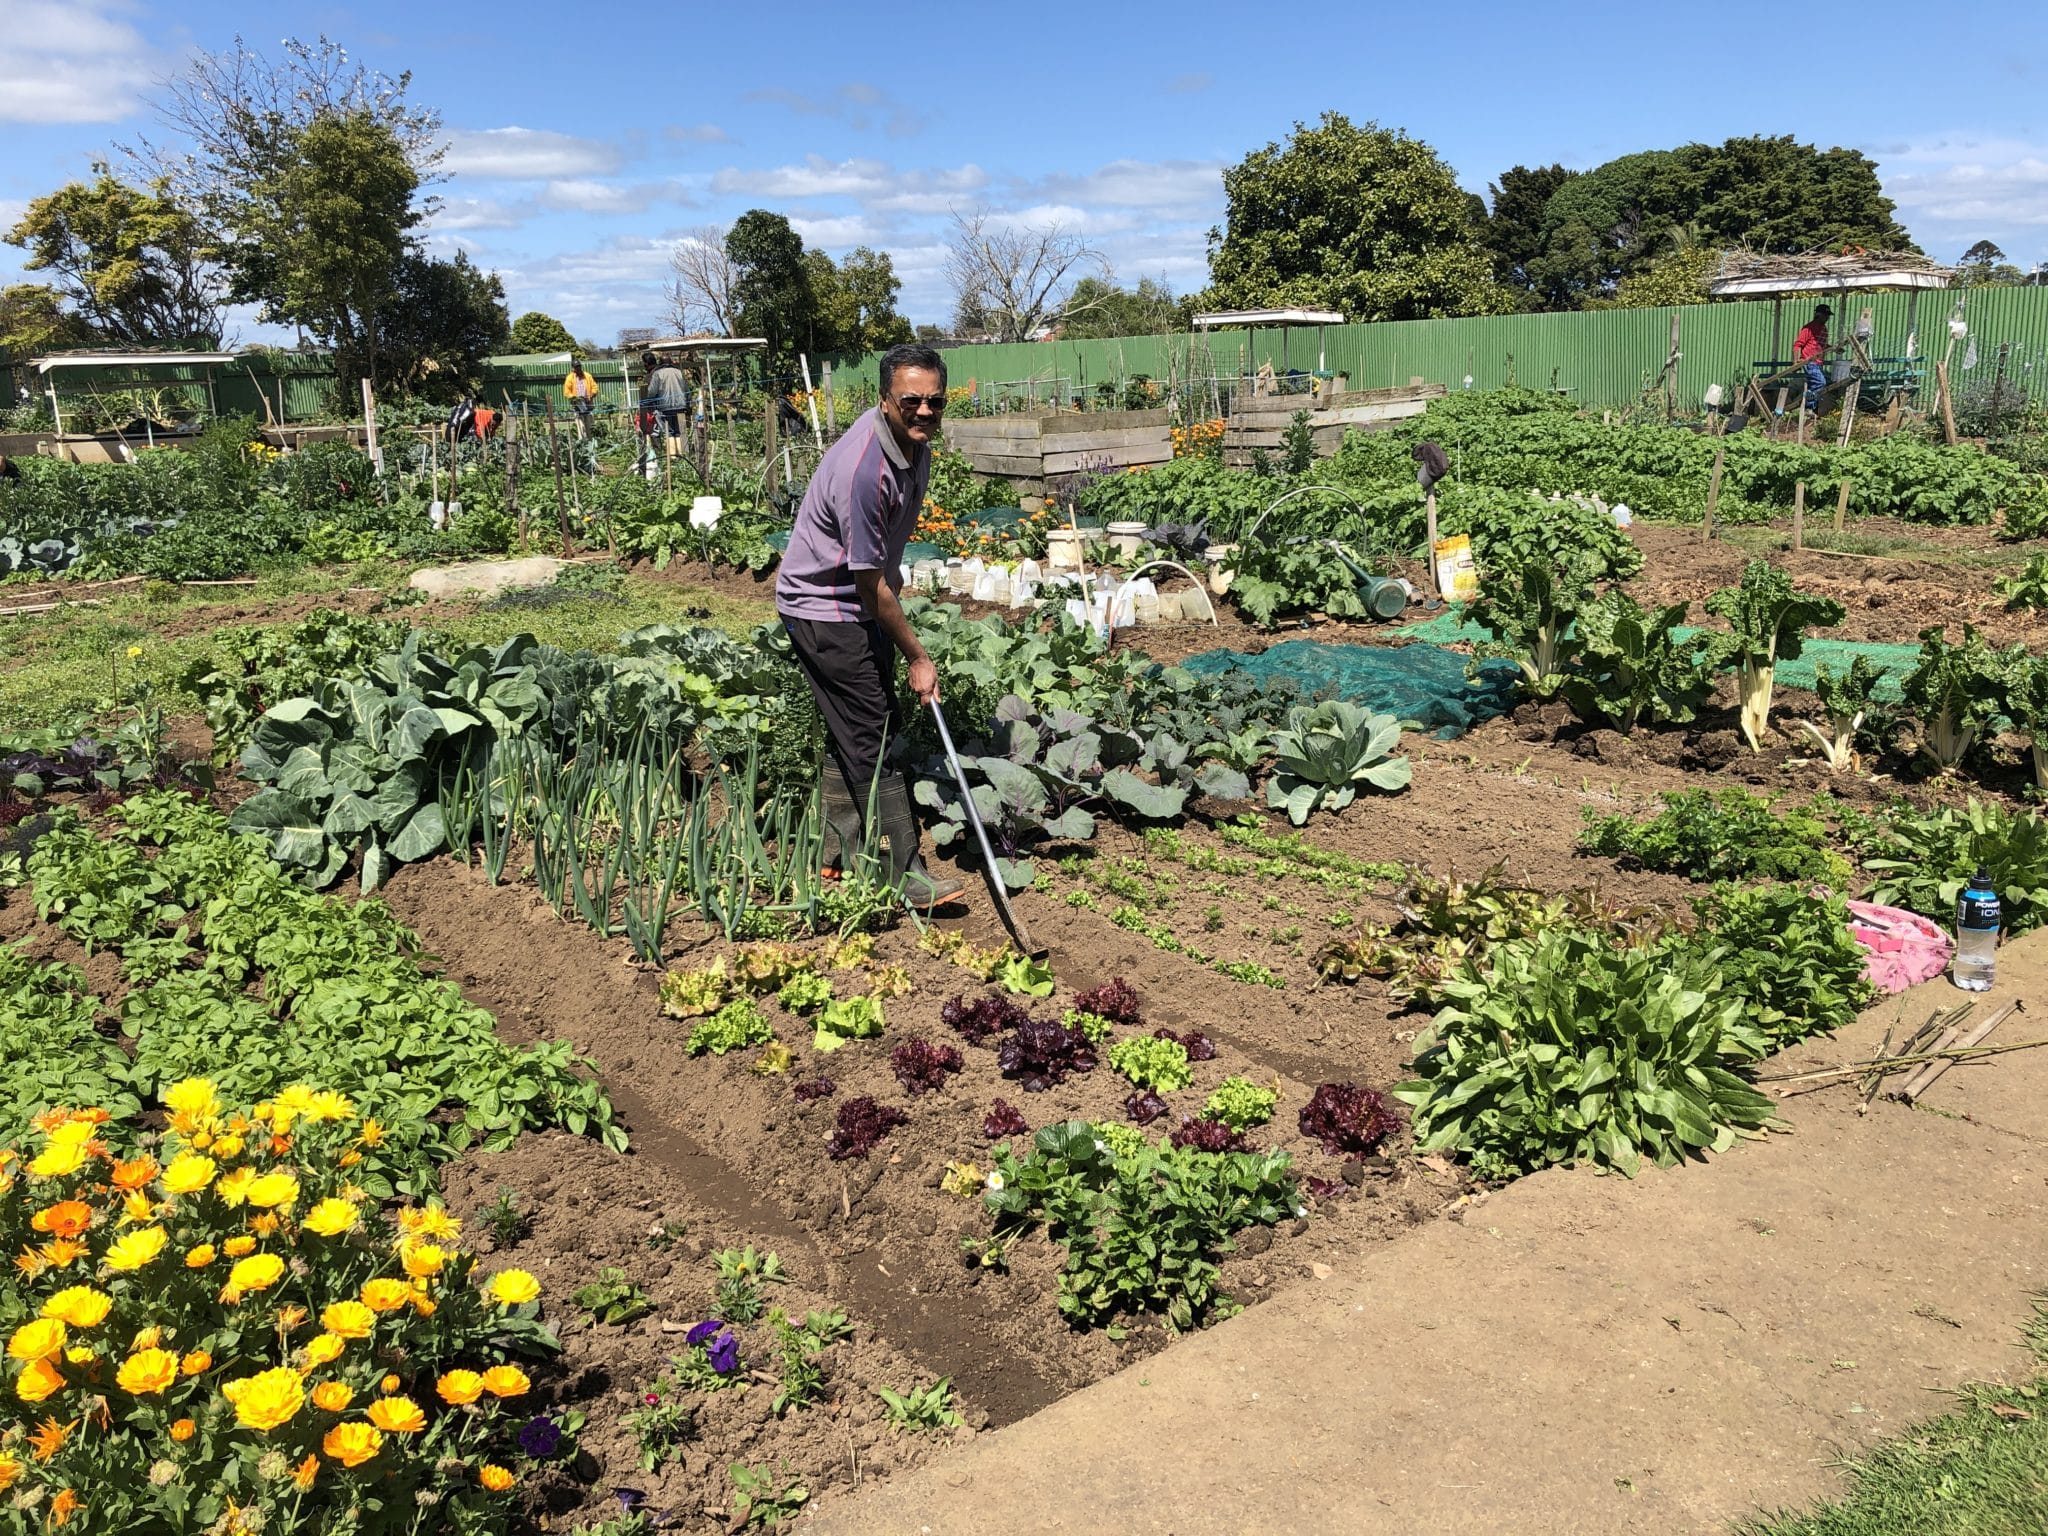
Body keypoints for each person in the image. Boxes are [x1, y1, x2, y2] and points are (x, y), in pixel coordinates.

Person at [776, 342, 962, 906]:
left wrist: (889, 595)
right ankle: (906, 874)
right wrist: (916, 654)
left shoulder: (914, 445)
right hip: (824, 609)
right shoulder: (865, 469)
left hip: (853, 602)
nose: (925, 411)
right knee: (876, 731)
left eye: (935, 401)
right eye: (911, 400)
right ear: (886, 399)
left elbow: (882, 563)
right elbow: (869, 585)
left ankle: (837, 854)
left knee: (853, 725)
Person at [643, 351, 690, 448]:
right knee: (679, 431)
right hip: (681, 406)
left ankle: (672, 455)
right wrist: (688, 404)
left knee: (668, 432)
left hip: (664, 407)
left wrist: (648, 402)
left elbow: (652, 392)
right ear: (671, 362)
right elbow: (687, 390)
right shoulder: (679, 372)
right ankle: (682, 453)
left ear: (660, 363)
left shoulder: (657, 373)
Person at [1795, 304, 1832, 415]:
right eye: (1825, 315)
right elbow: (1797, 345)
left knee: (1815, 384)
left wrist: (1833, 348)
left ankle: (1811, 409)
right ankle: (1806, 404)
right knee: (1821, 382)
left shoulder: (1824, 329)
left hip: (1819, 362)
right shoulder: (1808, 328)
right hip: (1809, 361)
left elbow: (1821, 345)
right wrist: (1795, 362)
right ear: (1818, 315)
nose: (1827, 318)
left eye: (1828, 316)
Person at [562, 359, 600, 439]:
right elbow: (567, 392)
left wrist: (591, 395)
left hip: (588, 404)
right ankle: (583, 443)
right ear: (573, 368)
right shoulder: (570, 378)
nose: (578, 368)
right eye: (576, 367)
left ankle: (591, 442)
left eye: (579, 366)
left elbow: (595, 387)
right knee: (581, 427)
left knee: (590, 425)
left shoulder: (587, 376)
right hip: (577, 406)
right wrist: (575, 398)